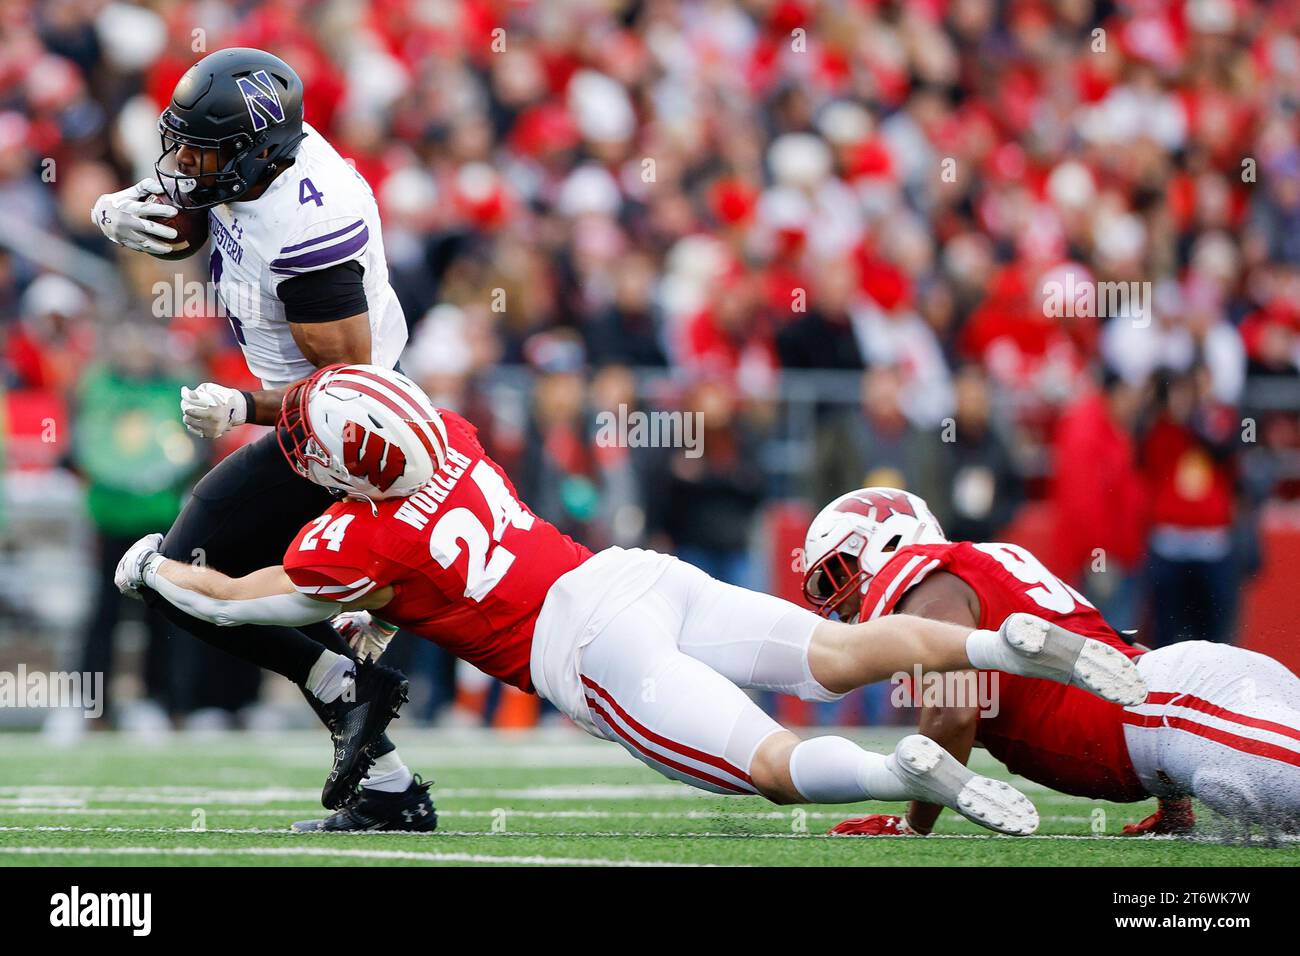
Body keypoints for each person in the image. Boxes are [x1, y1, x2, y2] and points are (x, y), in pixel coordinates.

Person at [115, 364, 1149, 836]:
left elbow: (236, 600)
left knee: (771, 763)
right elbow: (371, 426)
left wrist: (157, 565)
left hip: (591, 653)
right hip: (634, 573)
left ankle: (898, 768)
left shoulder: (356, 539)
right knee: (836, 655)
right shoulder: (454, 438)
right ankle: (1003, 647)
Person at [89, 47, 433, 828]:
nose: (183, 165)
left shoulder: (308, 225)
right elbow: (193, 211)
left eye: (201, 151)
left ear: (255, 154)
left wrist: (244, 406)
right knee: (184, 576)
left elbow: (349, 395)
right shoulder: (252, 168)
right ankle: (380, 771)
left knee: (176, 574)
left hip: (348, 439)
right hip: (316, 427)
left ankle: (348, 688)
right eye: (180, 146)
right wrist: (117, 210)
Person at [800, 487, 1300, 837]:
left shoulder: (931, 586)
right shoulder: (978, 568)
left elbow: (954, 712)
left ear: (886, 543)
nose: (839, 603)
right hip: (1183, 702)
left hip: (1184, 711)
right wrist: (1173, 802)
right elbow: (1124, 660)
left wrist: (913, 825)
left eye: (839, 573)